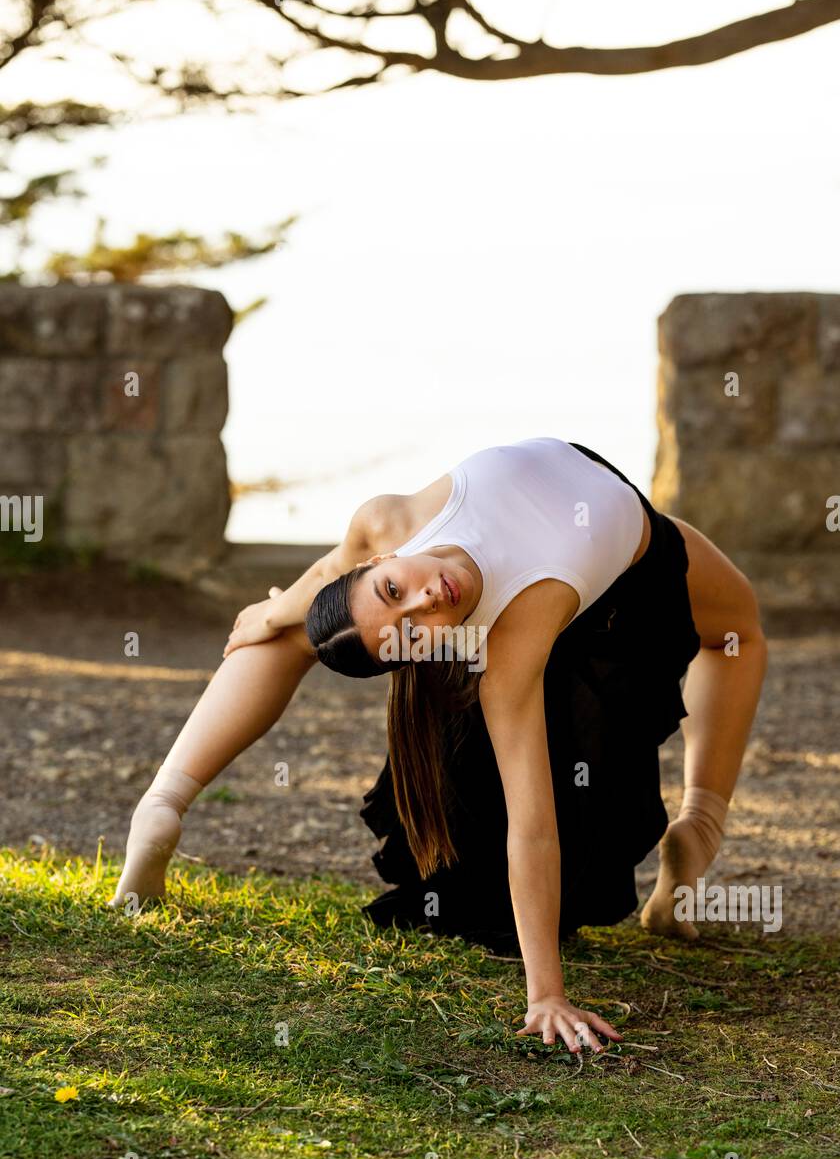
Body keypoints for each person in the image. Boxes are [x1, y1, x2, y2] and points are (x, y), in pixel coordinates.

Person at [110, 437, 767, 1055]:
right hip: (612, 551)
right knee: (741, 630)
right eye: (415, 630)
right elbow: (530, 818)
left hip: (629, 577)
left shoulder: (401, 539)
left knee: (322, 623)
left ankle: (164, 801)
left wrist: (275, 614)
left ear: (381, 559)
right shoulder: (484, 611)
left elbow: (327, 581)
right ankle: (699, 832)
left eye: (395, 589)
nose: (426, 597)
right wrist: (547, 996)